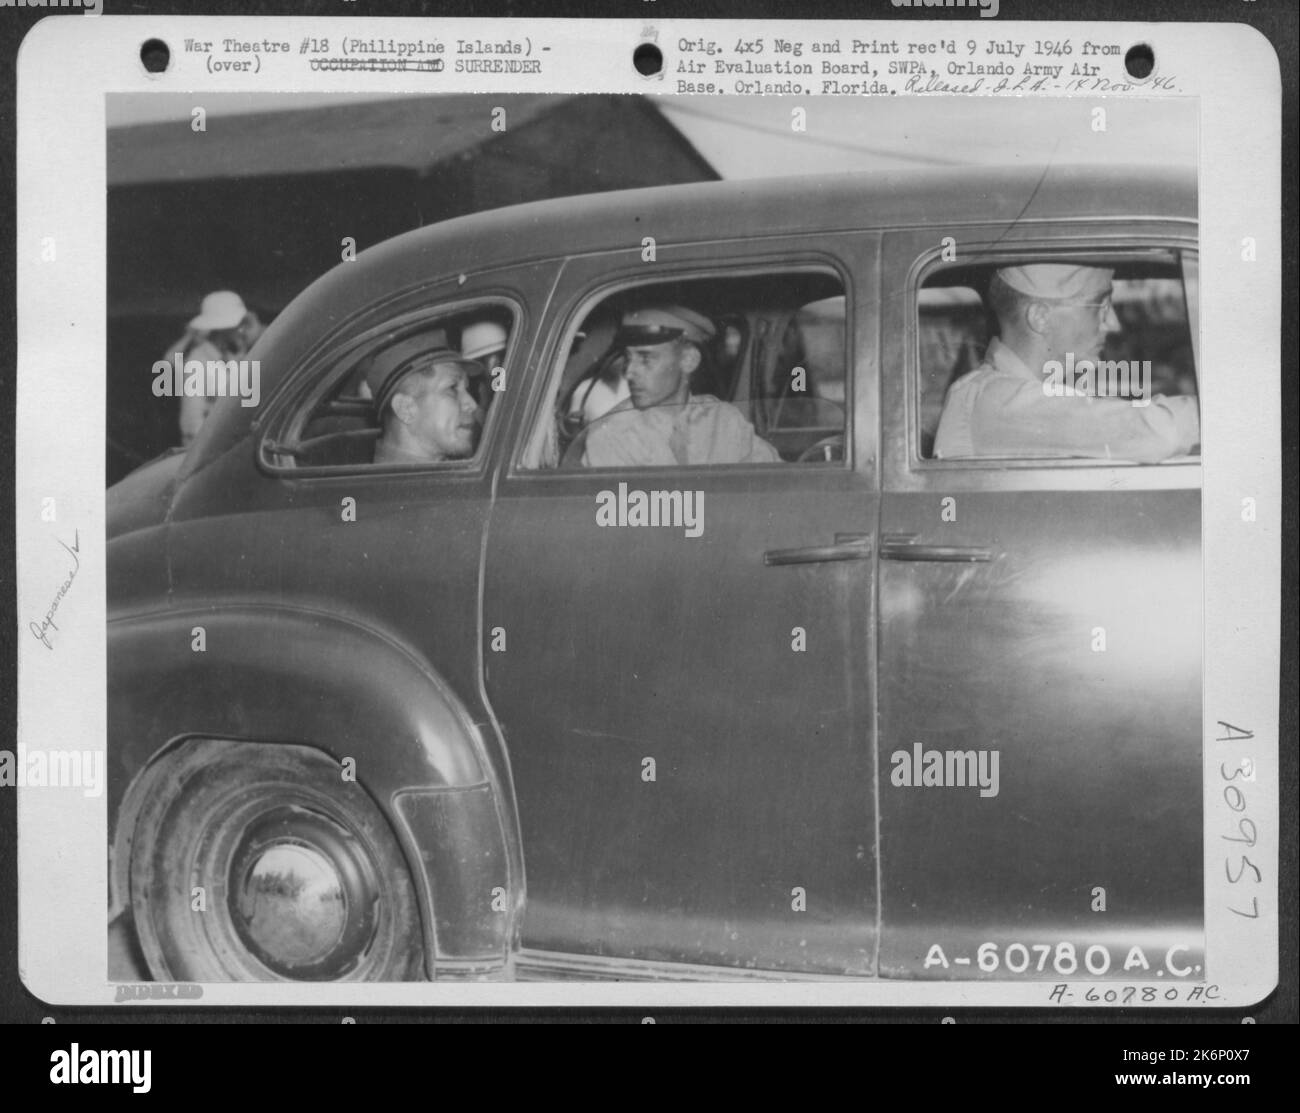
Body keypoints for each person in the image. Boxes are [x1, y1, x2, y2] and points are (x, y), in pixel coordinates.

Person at [933, 264, 1199, 463]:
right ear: (1040, 317)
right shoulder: (995, 401)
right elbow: (1160, 433)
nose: (1113, 324)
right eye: (1100, 307)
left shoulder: (1007, 394)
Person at [581, 305, 779, 468]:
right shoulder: (610, 436)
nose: (629, 372)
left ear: (688, 360)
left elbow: (777, 481)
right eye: (628, 358)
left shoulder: (725, 421)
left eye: (645, 358)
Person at [366, 336, 484, 465]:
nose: (472, 404)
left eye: (466, 389)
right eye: (452, 388)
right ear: (406, 409)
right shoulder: (398, 484)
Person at [173, 291, 264, 446]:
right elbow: (191, 423)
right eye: (238, 325)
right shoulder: (198, 363)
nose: (242, 331)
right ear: (223, 329)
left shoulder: (232, 358)